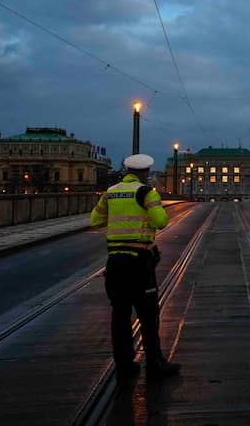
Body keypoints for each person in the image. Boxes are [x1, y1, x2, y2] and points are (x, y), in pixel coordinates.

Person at [90, 153, 180, 383]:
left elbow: (95, 221)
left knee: (119, 315)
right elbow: (161, 222)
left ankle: (124, 365)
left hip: (115, 263)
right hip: (139, 262)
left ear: (126, 170)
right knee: (148, 316)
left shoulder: (110, 193)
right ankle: (154, 363)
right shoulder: (146, 193)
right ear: (146, 172)